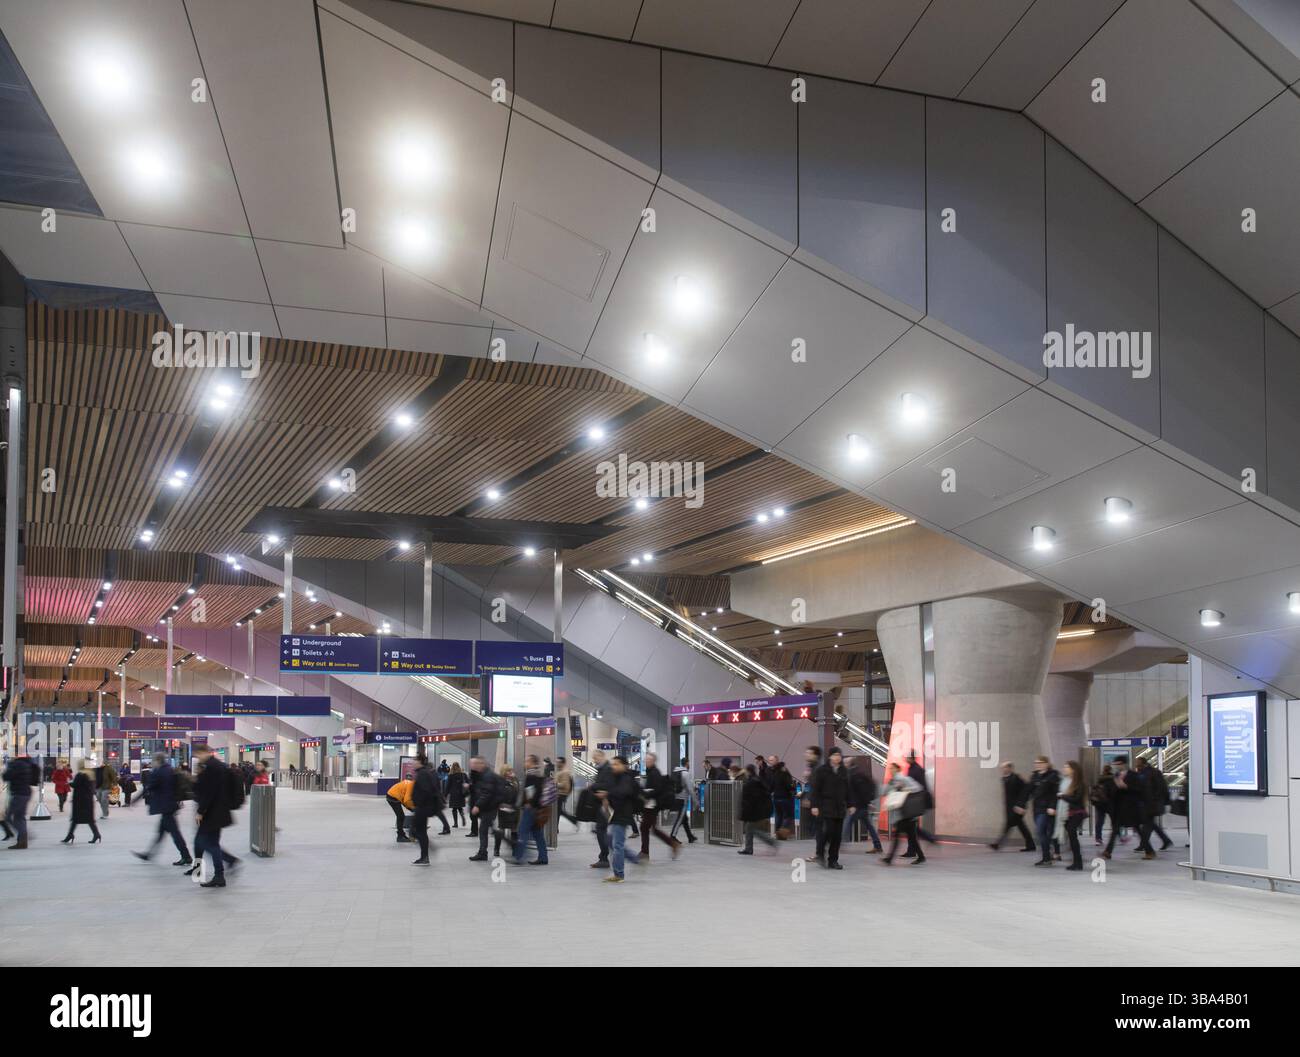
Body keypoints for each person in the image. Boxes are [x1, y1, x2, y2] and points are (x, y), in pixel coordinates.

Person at [190, 746, 240, 887]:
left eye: (198, 755)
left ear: (203, 752)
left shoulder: (211, 767)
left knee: (205, 842)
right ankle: (210, 870)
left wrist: (201, 811)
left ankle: (220, 873)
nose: (198, 758)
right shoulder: (217, 765)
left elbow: (209, 793)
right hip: (219, 811)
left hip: (212, 813)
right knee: (208, 842)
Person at [132, 753, 192, 866]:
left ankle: (186, 856)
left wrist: (135, 799)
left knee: (175, 833)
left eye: (153, 761)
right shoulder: (170, 769)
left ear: (157, 761)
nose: (152, 763)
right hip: (170, 805)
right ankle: (149, 854)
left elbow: (148, 787)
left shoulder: (159, 772)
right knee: (161, 833)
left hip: (165, 806)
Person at [596, 755, 642, 882]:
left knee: (617, 845)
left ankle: (619, 874)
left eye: (617, 764)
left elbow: (623, 792)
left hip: (622, 815)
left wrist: (607, 794)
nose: (613, 766)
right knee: (611, 841)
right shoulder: (615, 777)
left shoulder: (627, 778)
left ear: (624, 765)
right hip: (614, 814)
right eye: (613, 764)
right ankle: (635, 859)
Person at [810, 747, 850, 868]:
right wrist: (814, 805)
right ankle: (820, 853)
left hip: (840, 808)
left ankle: (833, 860)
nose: (837, 757)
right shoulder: (822, 771)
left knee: (837, 836)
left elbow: (848, 789)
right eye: (835, 755)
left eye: (839, 755)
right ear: (830, 756)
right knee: (828, 832)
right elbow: (815, 790)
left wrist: (851, 804)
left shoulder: (844, 771)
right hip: (826, 806)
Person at [1103, 756, 1149, 860]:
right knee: (1115, 830)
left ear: (1124, 764)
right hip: (1119, 808)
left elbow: (1139, 790)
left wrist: (1126, 787)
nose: (1116, 766)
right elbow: (1113, 791)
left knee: (1137, 829)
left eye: (1118, 764)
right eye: (1115, 764)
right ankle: (1108, 851)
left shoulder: (1133, 775)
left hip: (1130, 808)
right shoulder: (1116, 776)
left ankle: (1149, 850)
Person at [637, 753, 681, 860]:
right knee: (650, 828)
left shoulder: (654, 773)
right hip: (651, 804)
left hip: (652, 805)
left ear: (653, 761)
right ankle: (647, 851)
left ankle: (646, 852)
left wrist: (645, 794)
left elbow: (657, 789)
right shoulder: (651, 772)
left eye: (648, 760)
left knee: (645, 828)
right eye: (645, 760)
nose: (646, 761)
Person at [880, 762, 926, 865]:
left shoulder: (904, 779)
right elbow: (883, 792)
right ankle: (921, 856)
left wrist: (905, 789)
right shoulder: (893, 781)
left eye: (893, 768)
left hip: (906, 813)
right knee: (912, 837)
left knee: (899, 836)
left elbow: (918, 788)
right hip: (902, 813)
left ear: (897, 769)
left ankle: (889, 858)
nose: (891, 770)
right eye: (890, 768)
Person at [467, 756, 510, 862]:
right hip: (487, 806)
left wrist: (478, 805)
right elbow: (479, 790)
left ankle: (483, 853)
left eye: (474, 763)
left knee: (483, 830)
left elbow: (487, 793)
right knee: (490, 829)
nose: (472, 765)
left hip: (489, 807)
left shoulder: (487, 776)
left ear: (481, 764)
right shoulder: (480, 775)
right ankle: (511, 843)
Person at [990, 761, 1035, 853]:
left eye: (1005, 767)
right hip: (1009, 807)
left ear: (1010, 768)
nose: (1003, 769)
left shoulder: (1016, 778)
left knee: (1008, 825)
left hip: (1017, 807)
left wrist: (1021, 805)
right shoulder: (1004, 779)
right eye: (1002, 768)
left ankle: (998, 844)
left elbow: (1026, 790)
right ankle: (1031, 845)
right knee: (1021, 826)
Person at [1023, 756, 1061, 867]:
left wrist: (1052, 807)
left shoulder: (1053, 776)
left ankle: (1047, 857)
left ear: (1046, 763)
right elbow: (1028, 791)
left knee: (1040, 831)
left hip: (1047, 809)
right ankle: (1047, 856)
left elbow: (1056, 793)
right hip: (1037, 809)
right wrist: (1021, 804)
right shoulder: (1035, 776)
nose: (1037, 764)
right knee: (1043, 833)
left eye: (1040, 762)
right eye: (1036, 762)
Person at [513, 756, 549, 866]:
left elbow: (532, 791)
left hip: (530, 809)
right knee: (538, 835)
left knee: (522, 832)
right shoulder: (539, 774)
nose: (525, 763)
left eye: (527, 761)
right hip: (537, 809)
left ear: (532, 763)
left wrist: (529, 803)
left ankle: (519, 857)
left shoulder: (531, 775)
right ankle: (543, 857)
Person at [843, 756, 882, 854]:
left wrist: (861, 803)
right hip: (862, 805)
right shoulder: (859, 773)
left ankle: (840, 844)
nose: (844, 765)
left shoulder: (854, 774)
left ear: (849, 764)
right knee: (869, 826)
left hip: (858, 806)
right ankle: (877, 846)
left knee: (847, 823)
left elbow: (859, 791)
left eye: (845, 763)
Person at [1134, 756, 1174, 851]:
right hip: (1146, 803)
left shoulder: (1154, 772)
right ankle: (1165, 840)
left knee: (1148, 824)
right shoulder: (1141, 773)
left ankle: (1144, 844)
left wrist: (1165, 801)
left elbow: (1162, 787)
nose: (1137, 767)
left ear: (1144, 764)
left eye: (1139, 765)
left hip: (1153, 803)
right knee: (1151, 823)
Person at [3, 753, 41, 849]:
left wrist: (7, 768)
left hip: (19, 793)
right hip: (25, 792)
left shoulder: (17, 764)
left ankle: (25, 835)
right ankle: (22, 843)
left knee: (8, 816)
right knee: (20, 817)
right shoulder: (27, 764)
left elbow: (6, 776)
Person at [409, 755, 442, 866]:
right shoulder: (424, 772)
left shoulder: (422, 774)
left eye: (414, 761)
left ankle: (425, 855)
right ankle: (425, 856)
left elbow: (426, 791)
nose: (412, 763)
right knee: (419, 831)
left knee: (416, 831)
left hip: (422, 807)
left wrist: (419, 803)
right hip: (423, 807)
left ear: (420, 762)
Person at [738, 764, 776, 854]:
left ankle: (751, 848)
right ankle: (750, 848)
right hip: (758, 810)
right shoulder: (756, 779)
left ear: (748, 771)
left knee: (750, 829)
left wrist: (746, 812)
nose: (744, 773)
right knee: (751, 829)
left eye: (745, 771)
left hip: (754, 811)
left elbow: (751, 799)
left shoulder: (752, 782)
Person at [61, 762, 102, 845]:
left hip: (80, 800)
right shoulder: (91, 774)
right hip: (88, 800)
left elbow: (76, 784)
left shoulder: (81, 774)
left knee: (76, 819)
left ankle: (70, 835)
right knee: (89, 820)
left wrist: (69, 783)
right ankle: (96, 834)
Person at [586, 749, 613, 868]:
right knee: (601, 830)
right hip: (601, 803)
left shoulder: (606, 769)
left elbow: (606, 785)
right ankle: (604, 856)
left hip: (605, 803)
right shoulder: (602, 769)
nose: (594, 760)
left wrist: (593, 786)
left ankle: (604, 857)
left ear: (602, 756)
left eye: (596, 757)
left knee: (601, 830)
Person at [1059, 761, 1088, 871]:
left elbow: (1076, 800)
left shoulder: (1079, 783)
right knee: (1072, 837)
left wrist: (1063, 796)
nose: (1065, 769)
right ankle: (1077, 862)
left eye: (1067, 767)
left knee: (1072, 836)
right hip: (1071, 813)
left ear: (1073, 770)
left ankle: (1078, 862)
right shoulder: (1070, 782)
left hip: (1077, 813)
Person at [906, 753, 937, 846]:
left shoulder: (916, 770)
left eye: (907, 757)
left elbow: (920, 786)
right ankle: (913, 849)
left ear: (911, 758)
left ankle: (929, 838)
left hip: (916, 801)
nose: (906, 759)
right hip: (915, 800)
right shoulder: (912, 768)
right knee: (912, 826)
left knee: (911, 826)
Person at [801, 745, 823, 861]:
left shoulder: (817, 768)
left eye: (809, 753)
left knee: (819, 829)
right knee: (817, 829)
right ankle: (820, 852)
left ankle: (820, 854)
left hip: (817, 804)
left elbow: (816, 787)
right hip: (814, 802)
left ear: (815, 755)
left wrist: (811, 801)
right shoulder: (812, 767)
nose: (806, 755)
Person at [669, 756, 697, 843]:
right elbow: (690, 789)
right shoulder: (686, 773)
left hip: (676, 797)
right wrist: (696, 802)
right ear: (687, 763)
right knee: (680, 818)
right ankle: (672, 836)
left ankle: (690, 836)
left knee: (684, 819)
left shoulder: (675, 771)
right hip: (683, 799)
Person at [768, 756, 796, 839]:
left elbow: (771, 785)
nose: (770, 762)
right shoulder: (783, 770)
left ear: (776, 761)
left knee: (778, 815)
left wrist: (770, 792)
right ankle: (782, 834)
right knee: (788, 816)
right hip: (785, 797)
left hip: (776, 797)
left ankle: (778, 834)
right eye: (769, 760)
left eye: (772, 760)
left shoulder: (773, 771)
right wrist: (793, 788)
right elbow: (789, 784)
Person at [385, 775, 415, 843]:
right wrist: (413, 808)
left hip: (393, 795)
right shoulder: (411, 786)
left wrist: (411, 808)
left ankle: (401, 834)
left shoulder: (410, 783)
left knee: (401, 816)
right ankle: (400, 836)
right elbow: (407, 800)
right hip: (393, 797)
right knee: (401, 816)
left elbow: (405, 800)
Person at [1090, 765, 1115, 846]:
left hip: (1100, 804)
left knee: (1099, 822)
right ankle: (1118, 837)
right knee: (1115, 821)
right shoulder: (1113, 779)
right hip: (1110, 803)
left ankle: (1098, 839)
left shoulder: (1100, 779)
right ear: (1110, 770)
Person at [554, 757, 577, 827]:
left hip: (561, 794)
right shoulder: (560, 771)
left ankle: (556, 828)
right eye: (556, 762)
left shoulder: (565, 772)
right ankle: (573, 820)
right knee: (559, 811)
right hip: (559, 793)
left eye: (558, 762)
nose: (556, 763)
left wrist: (554, 784)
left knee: (558, 811)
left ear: (562, 763)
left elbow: (565, 785)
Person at [445, 762, 468, 829]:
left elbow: (448, 786)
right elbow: (467, 782)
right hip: (461, 794)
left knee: (454, 809)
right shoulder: (463, 775)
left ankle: (455, 823)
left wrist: (445, 795)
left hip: (453, 794)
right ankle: (462, 816)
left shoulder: (451, 775)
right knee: (459, 807)